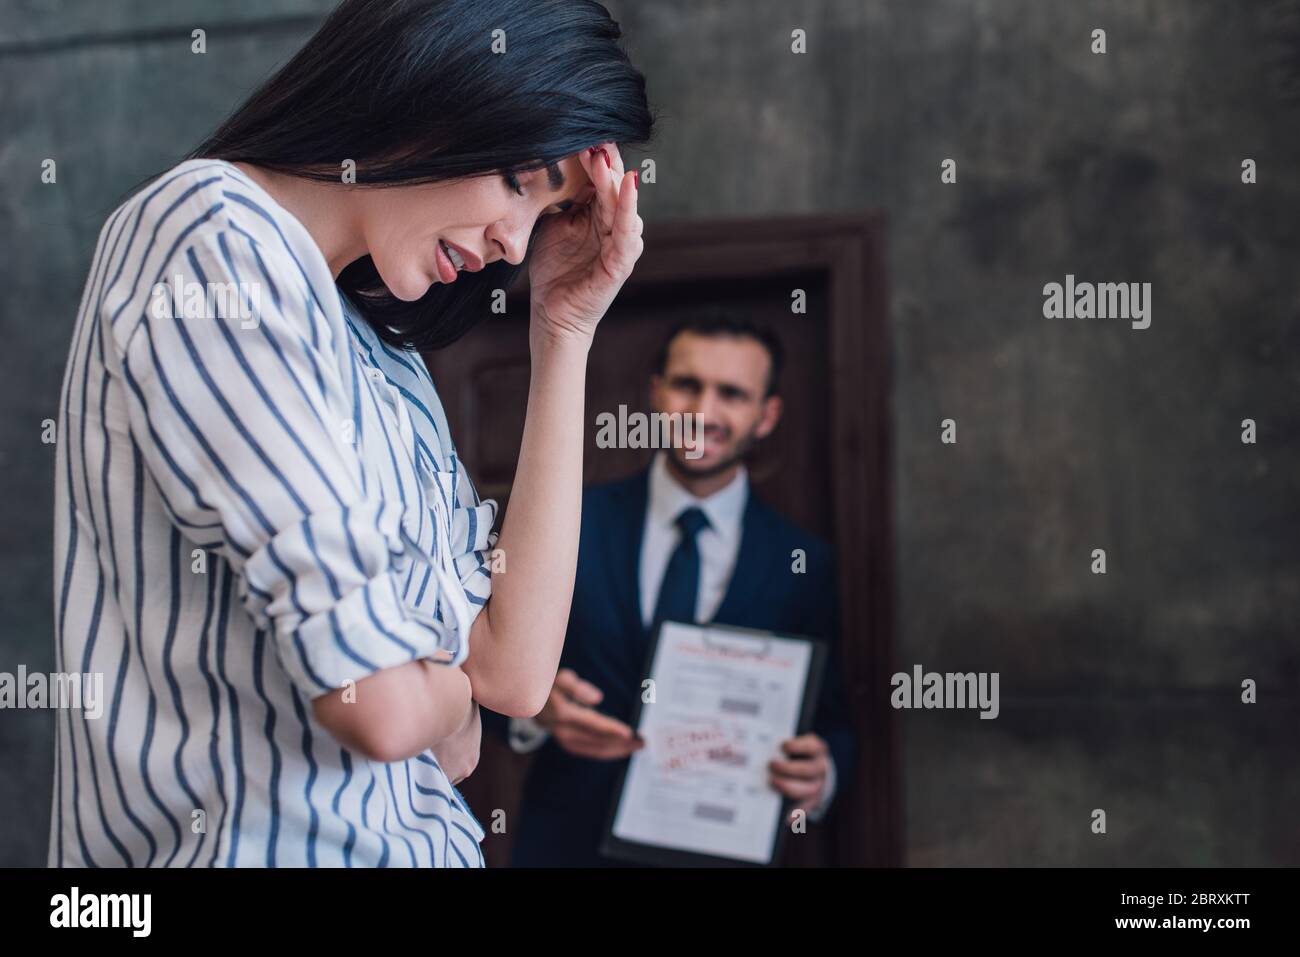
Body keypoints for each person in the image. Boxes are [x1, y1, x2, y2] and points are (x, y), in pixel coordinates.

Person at [49, 0, 652, 868]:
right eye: (520, 181)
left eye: (545, 212)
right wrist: (445, 703)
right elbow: (382, 705)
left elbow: (512, 677)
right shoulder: (210, 237)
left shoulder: (380, 355)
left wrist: (565, 333)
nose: (514, 247)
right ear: (439, 85)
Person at [485, 314, 856, 866]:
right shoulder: (569, 522)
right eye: (687, 385)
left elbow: (836, 712)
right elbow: (487, 667)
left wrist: (824, 772)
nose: (703, 411)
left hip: (727, 849)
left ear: (766, 415)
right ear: (657, 393)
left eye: (731, 393)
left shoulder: (804, 563)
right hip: (568, 848)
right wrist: (535, 711)